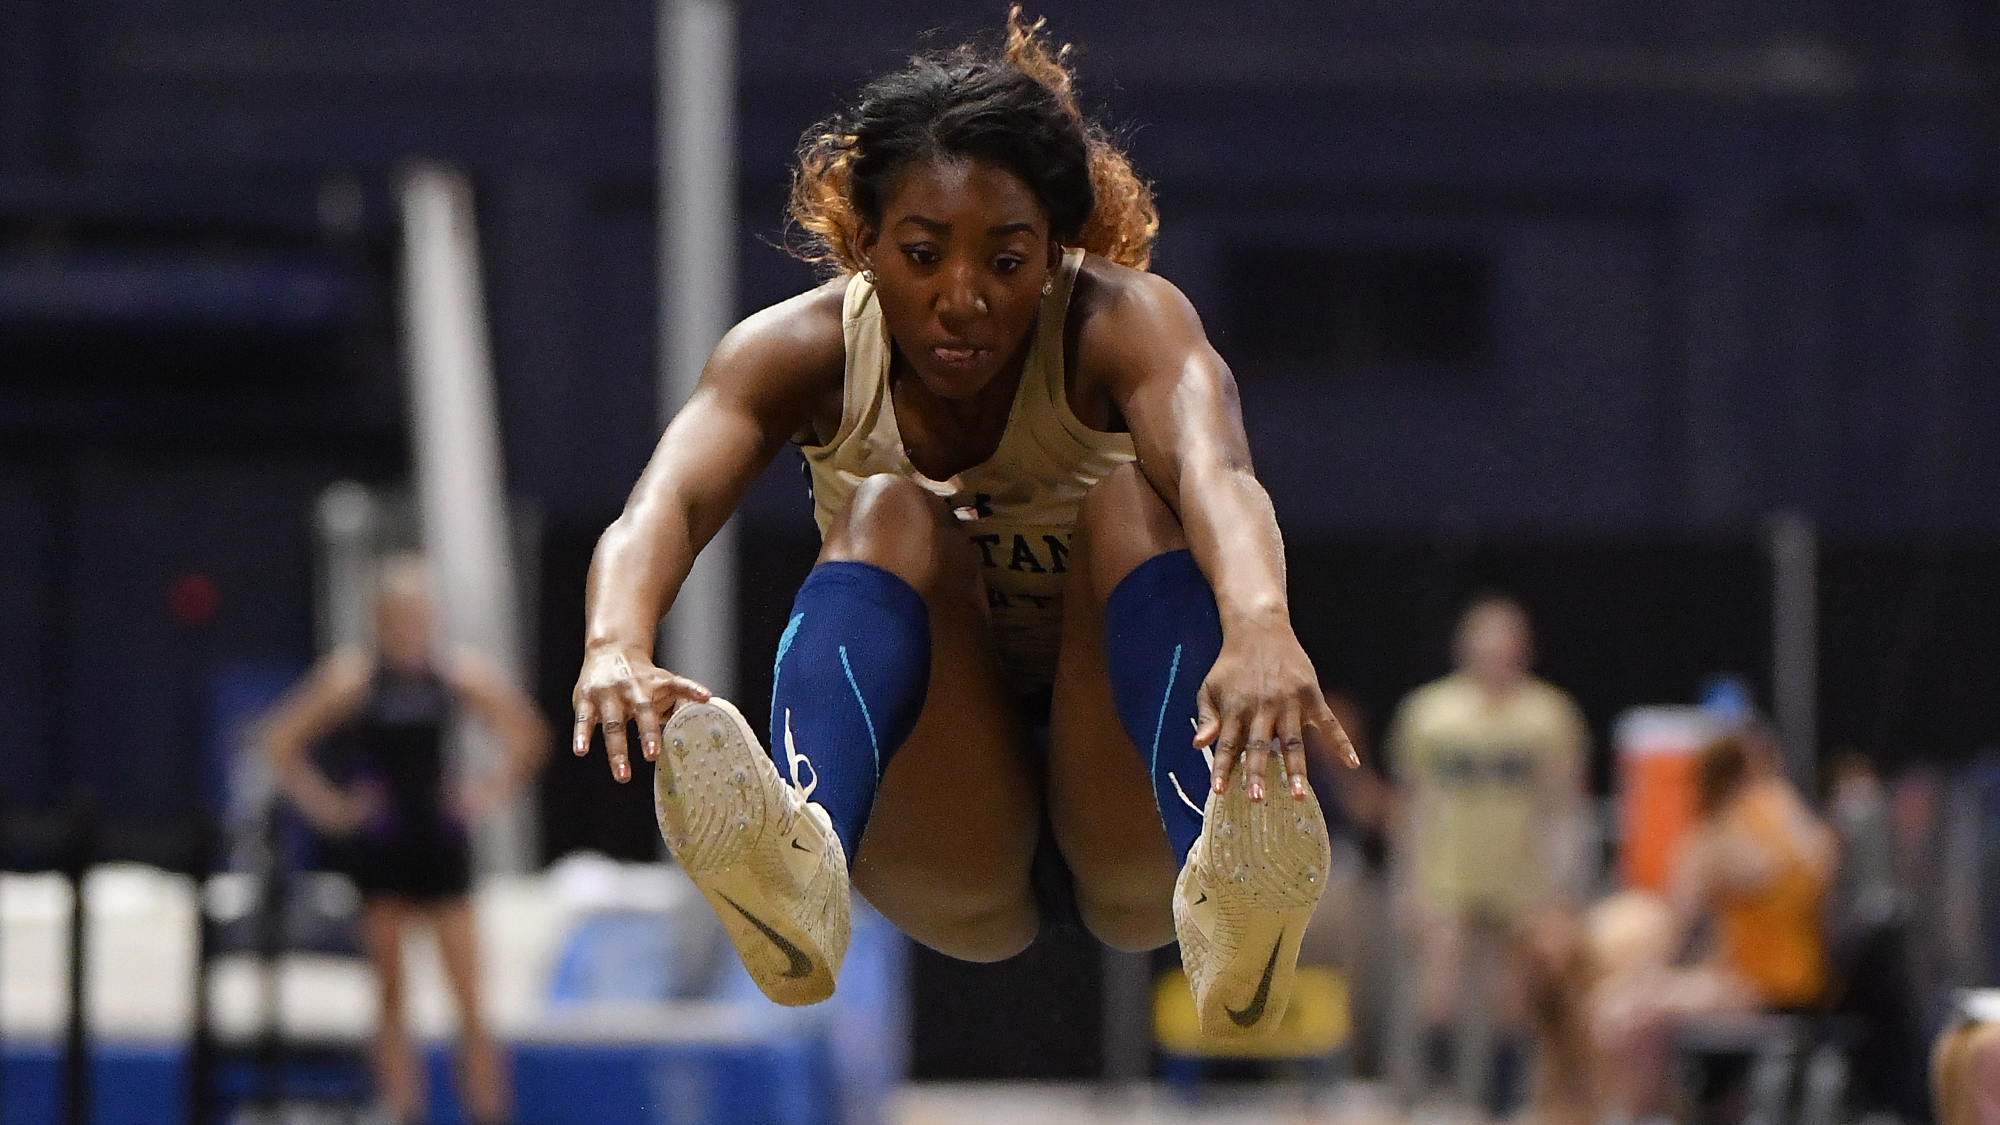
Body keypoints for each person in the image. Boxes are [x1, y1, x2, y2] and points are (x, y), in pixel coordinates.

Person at [570, 9, 1357, 1038]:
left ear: (1055, 252)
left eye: (1006, 261)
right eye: (922, 253)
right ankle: (803, 858)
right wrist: (614, 641)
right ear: (864, 244)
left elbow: (1219, 471)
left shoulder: (1123, 324)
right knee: (886, 506)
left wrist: (1259, 624)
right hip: (951, 833)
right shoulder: (793, 352)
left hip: (1130, 816)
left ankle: (1230, 879)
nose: (962, 298)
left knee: (1129, 498)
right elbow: (663, 503)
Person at [261, 555, 550, 1125]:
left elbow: (528, 735)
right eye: (399, 615)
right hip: (384, 850)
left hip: (440, 848)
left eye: (419, 614)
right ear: (379, 618)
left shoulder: (456, 674)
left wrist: (483, 794)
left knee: (470, 1000)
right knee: (392, 999)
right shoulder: (354, 678)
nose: (410, 625)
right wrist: (333, 809)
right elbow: (280, 741)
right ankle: (404, 1111)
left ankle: (488, 1112)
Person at [1386, 594, 1590, 1109]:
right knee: (1439, 986)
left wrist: (1561, 887)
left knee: (1512, 996)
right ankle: (1436, 1095)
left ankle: (1501, 1102)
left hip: (1520, 877)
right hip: (1447, 873)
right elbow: (1411, 804)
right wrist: (1406, 882)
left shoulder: (1547, 716)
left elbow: (1565, 808)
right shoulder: (1432, 713)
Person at [1593, 731, 1836, 1119]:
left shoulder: (1722, 837)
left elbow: (1673, 930)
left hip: (1760, 990)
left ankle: (1636, 1112)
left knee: (1623, 1011)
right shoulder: (1793, 817)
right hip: (1805, 985)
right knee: (1642, 1003)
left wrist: (1644, 978)